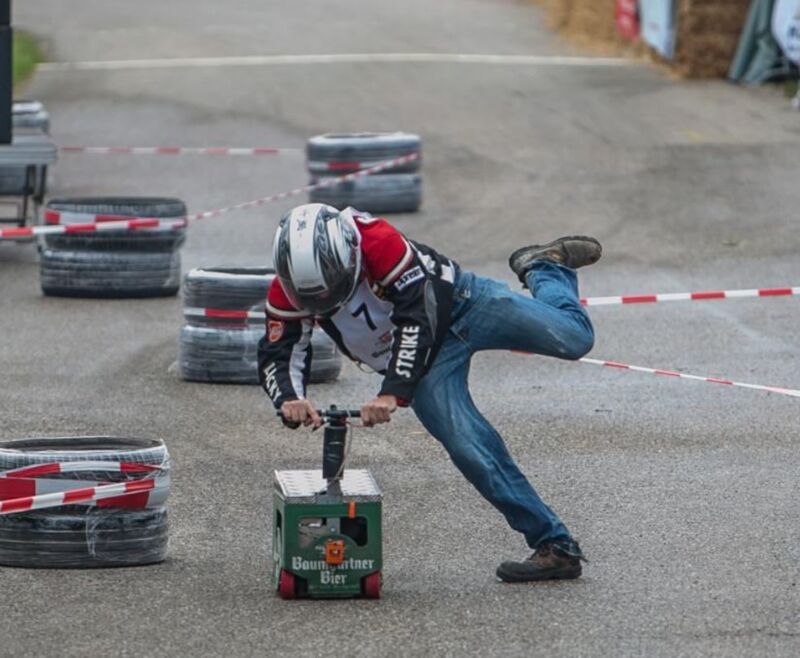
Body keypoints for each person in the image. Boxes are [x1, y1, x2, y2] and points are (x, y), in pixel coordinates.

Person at [258, 203, 601, 582]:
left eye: (332, 290)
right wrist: (289, 398)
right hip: (427, 366)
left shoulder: (379, 241)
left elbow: (418, 320)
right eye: (313, 300)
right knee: (470, 446)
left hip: (463, 305)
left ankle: (544, 267)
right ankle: (555, 544)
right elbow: (279, 351)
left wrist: (392, 393)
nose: (323, 304)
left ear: (349, 254)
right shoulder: (287, 286)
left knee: (575, 338)